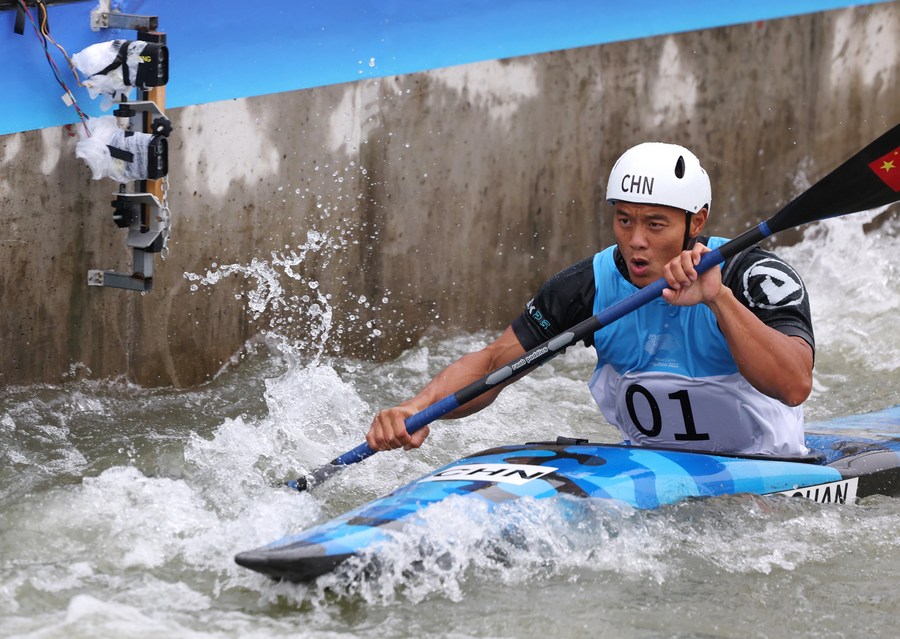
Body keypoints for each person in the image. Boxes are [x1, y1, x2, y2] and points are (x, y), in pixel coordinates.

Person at [366, 142, 815, 456]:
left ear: (695, 222)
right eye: (624, 220)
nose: (635, 241)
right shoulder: (586, 286)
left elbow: (795, 385)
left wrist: (719, 300)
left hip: (764, 474)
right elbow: (492, 365)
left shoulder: (755, 275)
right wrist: (417, 409)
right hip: (650, 466)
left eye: (655, 225)